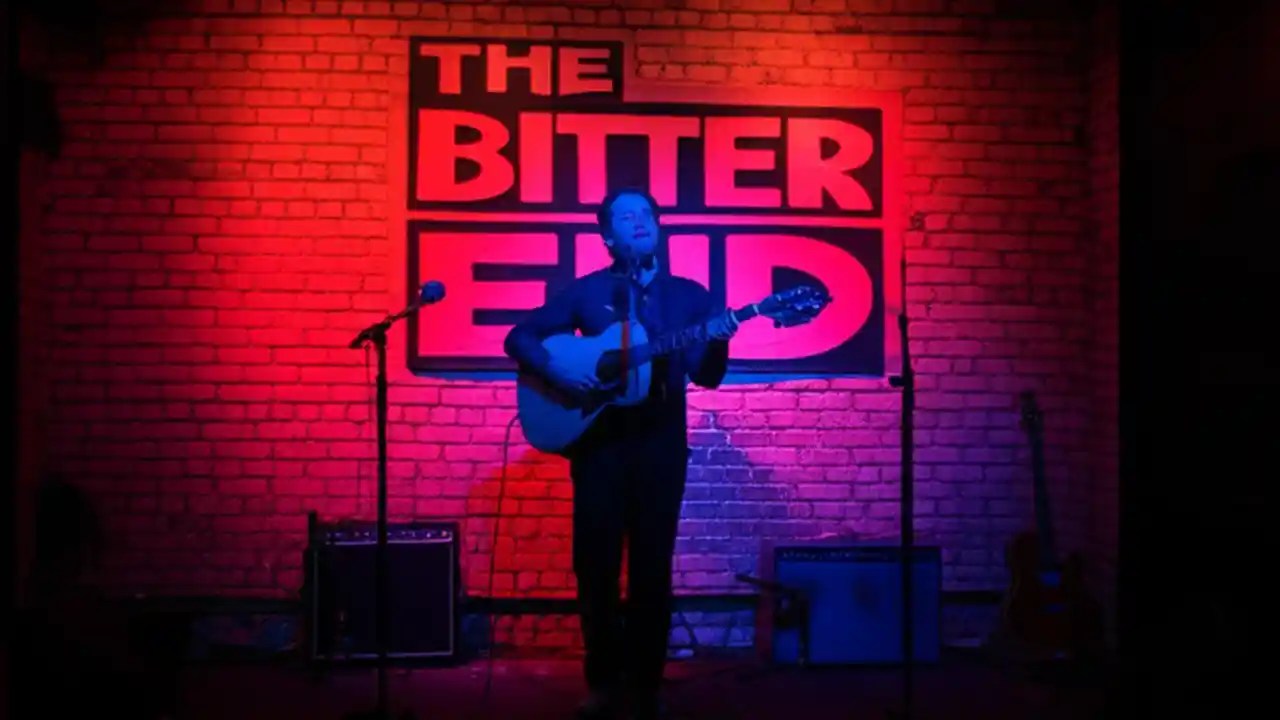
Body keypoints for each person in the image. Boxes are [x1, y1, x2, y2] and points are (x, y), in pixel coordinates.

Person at [504, 188, 738, 719]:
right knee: (596, 565)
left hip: (661, 444)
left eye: (646, 214)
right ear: (608, 236)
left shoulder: (689, 296)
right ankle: (603, 681)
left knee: (653, 567)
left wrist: (720, 335)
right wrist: (558, 368)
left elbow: (709, 375)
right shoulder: (588, 293)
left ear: (658, 226)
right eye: (625, 216)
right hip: (600, 447)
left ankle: (646, 684)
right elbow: (520, 337)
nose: (639, 222)